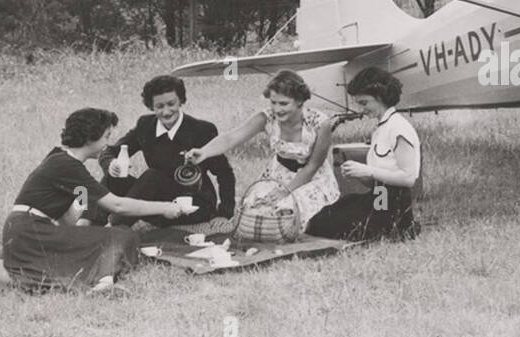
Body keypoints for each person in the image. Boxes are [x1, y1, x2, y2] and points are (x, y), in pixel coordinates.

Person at [3, 108, 196, 292]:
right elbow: (117, 205)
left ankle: (93, 273)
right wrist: (165, 207)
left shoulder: (62, 161)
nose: (107, 144)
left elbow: (74, 211)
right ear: (89, 138)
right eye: (106, 137)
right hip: (30, 232)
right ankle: (103, 282)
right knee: (120, 235)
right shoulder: (66, 165)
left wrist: (84, 231)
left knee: (107, 235)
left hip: (24, 232)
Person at [184, 69, 340, 230]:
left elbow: (313, 166)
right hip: (277, 174)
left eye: (284, 103)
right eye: (273, 102)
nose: (277, 109)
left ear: (299, 101)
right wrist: (204, 152)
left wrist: (286, 191)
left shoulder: (320, 123)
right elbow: (232, 137)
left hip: (311, 178)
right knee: (253, 209)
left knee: (287, 211)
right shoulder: (266, 117)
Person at [99, 74, 235, 226]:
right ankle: (87, 224)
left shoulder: (202, 129)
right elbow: (110, 151)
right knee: (112, 177)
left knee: (152, 176)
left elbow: (225, 173)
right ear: (151, 106)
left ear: (181, 101)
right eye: (159, 106)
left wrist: (224, 213)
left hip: (192, 204)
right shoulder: (145, 125)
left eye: (171, 104)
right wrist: (111, 164)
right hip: (157, 200)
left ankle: (115, 227)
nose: (166, 111)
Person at [306, 67, 420, 242]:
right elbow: (379, 179)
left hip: (393, 202)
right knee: (323, 216)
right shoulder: (382, 127)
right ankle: (383, 226)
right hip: (380, 196)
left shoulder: (399, 128)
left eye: (364, 103)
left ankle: (394, 227)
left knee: (325, 225)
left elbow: (408, 178)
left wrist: (367, 171)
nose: (361, 109)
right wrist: (359, 174)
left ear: (380, 97)